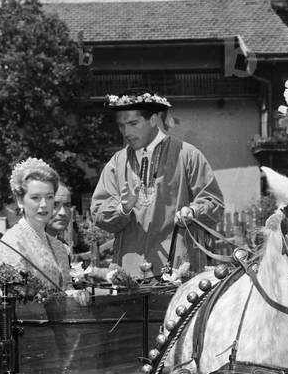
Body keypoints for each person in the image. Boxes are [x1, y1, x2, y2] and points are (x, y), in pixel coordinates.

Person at [91, 90, 223, 276]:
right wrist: (123, 209)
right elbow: (98, 213)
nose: (126, 132)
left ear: (153, 119)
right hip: (129, 275)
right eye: (121, 126)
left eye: (133, 123)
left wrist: (192, 211)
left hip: (179, 271)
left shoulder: (187, 155)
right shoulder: (117, 162)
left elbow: (215, 204)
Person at [0, 158, 76, 295]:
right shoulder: (12, 242)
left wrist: (76, 294)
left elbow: (67, 288)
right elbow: (16, 297)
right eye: (35, 198)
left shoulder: (58, 246)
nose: (44, 204)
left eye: (49, 197)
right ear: (20, 201)